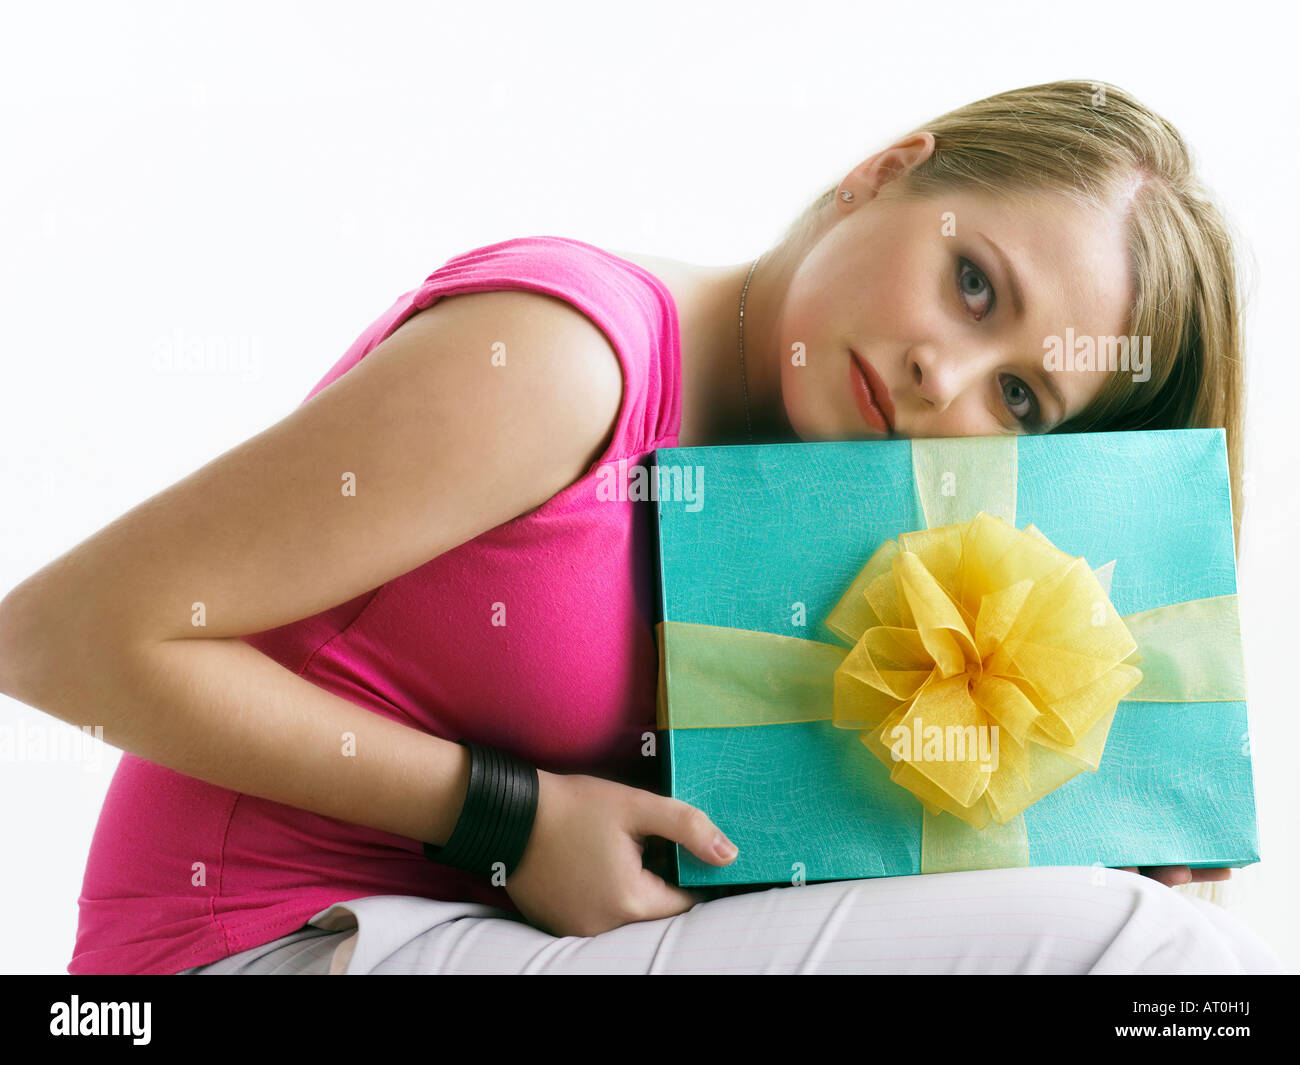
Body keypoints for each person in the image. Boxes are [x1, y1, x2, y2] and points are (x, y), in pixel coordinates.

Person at [0, 79, 1280, 975]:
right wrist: (505, 816)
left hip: (485, 950)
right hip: (265, 947)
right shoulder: (560, 359)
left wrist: (1076, 839)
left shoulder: (839, 517)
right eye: (971, 282)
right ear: (888, 170)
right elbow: (59, 641)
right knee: (1151, 964)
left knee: (1160, 948)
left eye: (1018, 396)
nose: (945, 377)